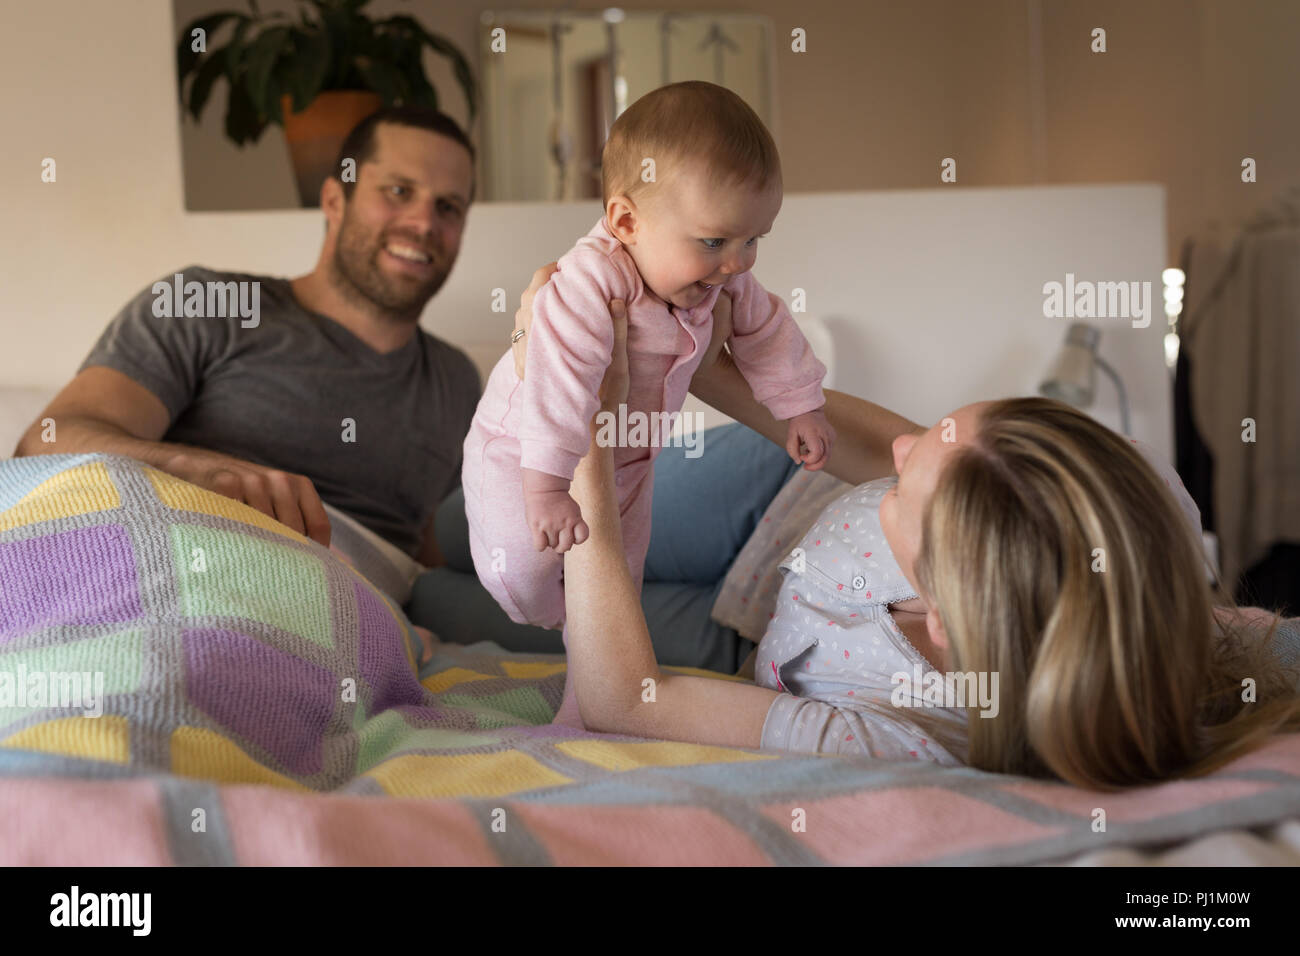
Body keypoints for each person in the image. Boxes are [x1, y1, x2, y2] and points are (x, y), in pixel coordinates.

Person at [553, 299, 1300, 790]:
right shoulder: (1131, 497)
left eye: (910, 486)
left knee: (503, 595)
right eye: (943, 432)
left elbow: (625, 698)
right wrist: (707, 371)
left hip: (746, 640)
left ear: (947, 616)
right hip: (779, 498)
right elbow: (888, 448)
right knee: (465, 523)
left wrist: (582, 429)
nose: (905, 445)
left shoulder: (898, 737)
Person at [460, 82, 836, 725]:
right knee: (521, 577)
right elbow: (558, 385)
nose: (736, 264)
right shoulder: (590, 284)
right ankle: (539, 605)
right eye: (715, 242)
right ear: (626, 221)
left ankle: (585, 708)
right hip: (523, 450)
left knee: (615, 593)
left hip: (630, 462)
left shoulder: (725, 281)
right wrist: (547, 486)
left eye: (754, 240)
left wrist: (800, 407)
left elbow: (769, 333)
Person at [13, 106, 481, 566]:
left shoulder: (457, 380)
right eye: (399, 191)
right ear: (336, 202)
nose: (423, 224)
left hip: (369, 617)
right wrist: (206, 472)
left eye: (448, 207)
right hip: (199, 574)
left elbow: (430, 553)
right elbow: (45, 445)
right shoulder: (205, 302)